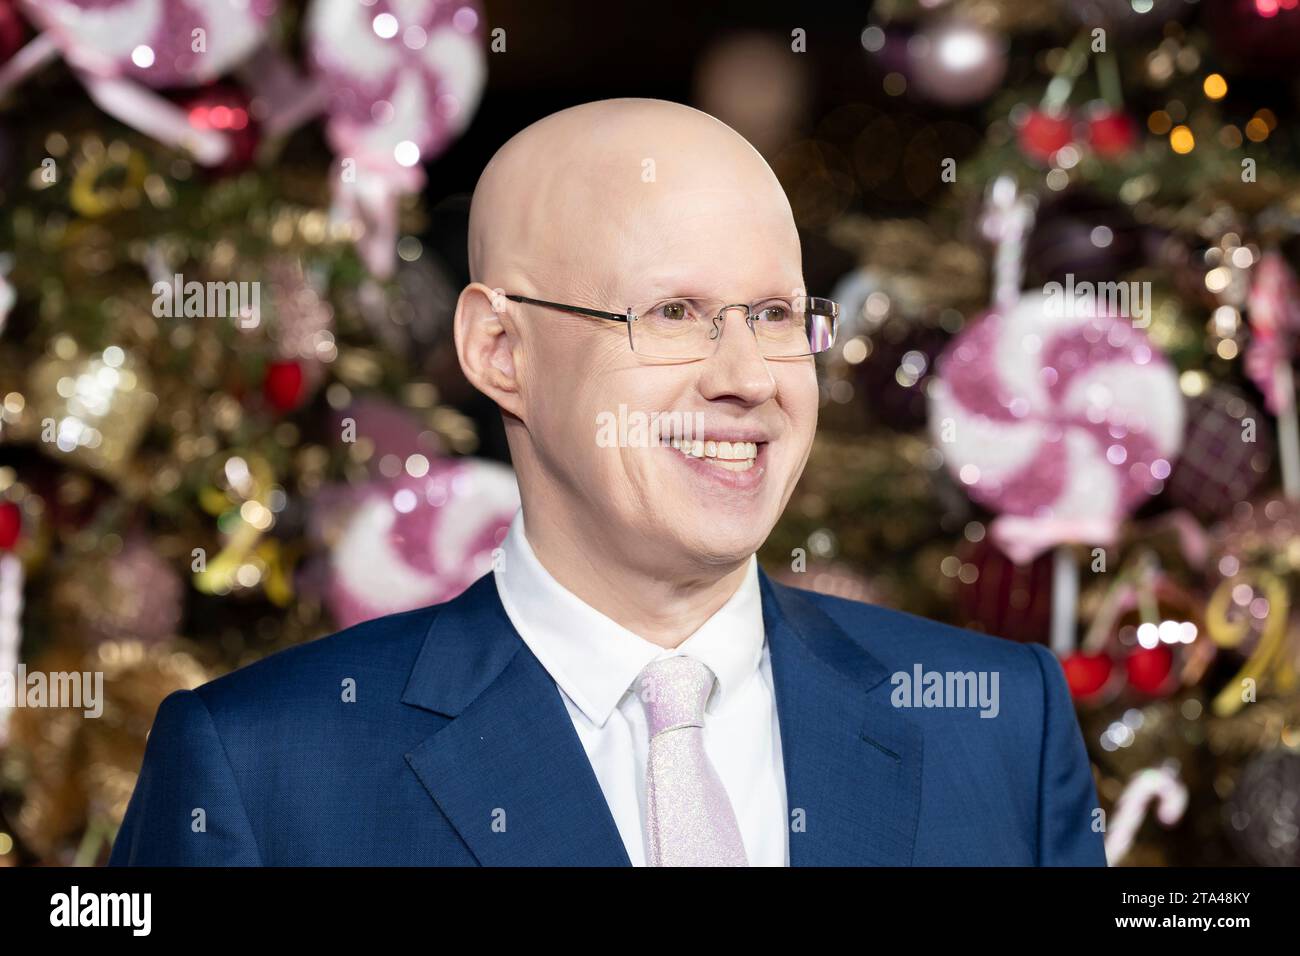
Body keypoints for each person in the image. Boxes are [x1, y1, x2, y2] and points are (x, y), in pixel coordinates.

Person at [110, 98, 1106, 867]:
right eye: (673, 312)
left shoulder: (998, 723)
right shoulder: (265, 767)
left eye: (772, 314)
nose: (747, 377)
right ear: (500, 349)